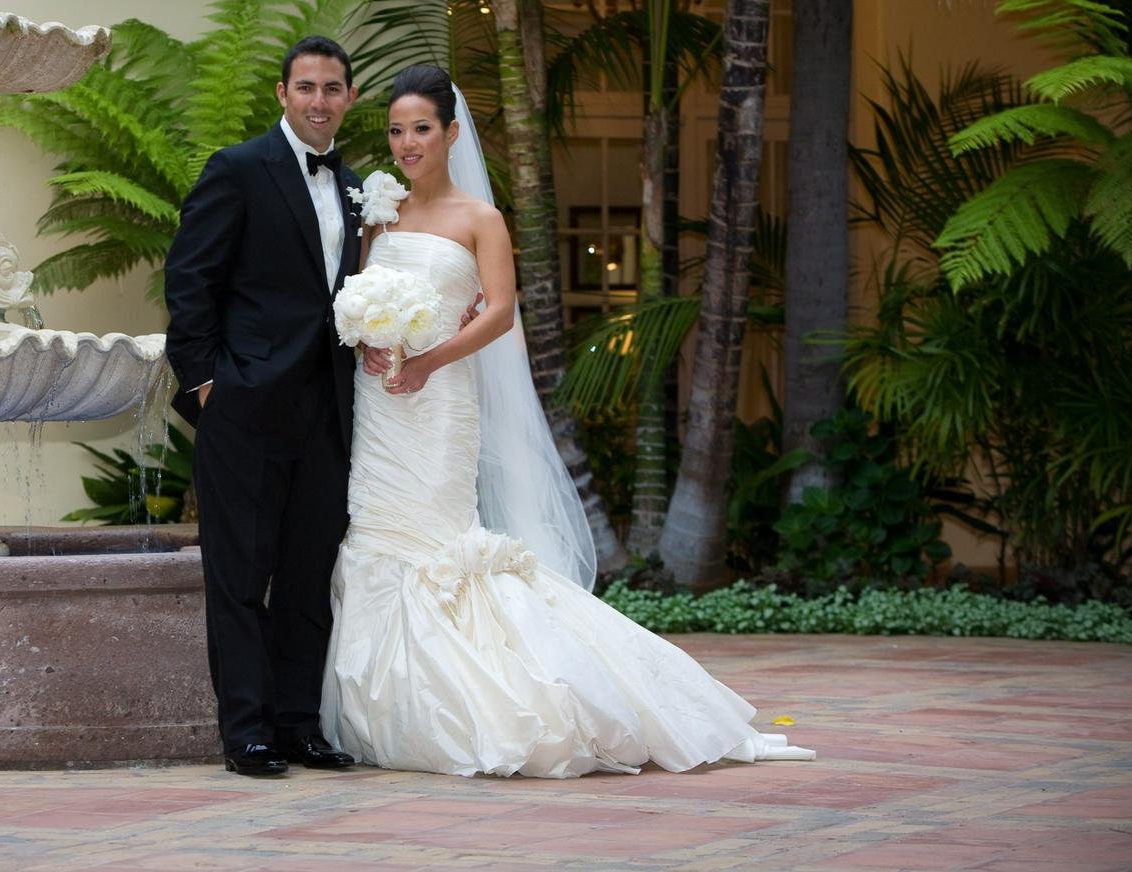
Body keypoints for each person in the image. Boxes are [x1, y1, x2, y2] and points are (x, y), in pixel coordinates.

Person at [322, 64, 815, 777]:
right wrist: (375, 343)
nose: (406, 143)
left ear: (451, 133)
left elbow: (498, 312)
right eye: (397, 130)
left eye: (421, 129)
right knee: (373, 537)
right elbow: (366, 296)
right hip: (383, 410)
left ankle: (538, 699)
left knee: (438, 547)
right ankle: (384, 711)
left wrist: (432, 358)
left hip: (439, 404)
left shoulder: (479, 219)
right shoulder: (382, 210)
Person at [163, 36, 363, 777]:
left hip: (331, 413)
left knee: (309, 578)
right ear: (282, 94)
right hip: (245, 406)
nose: (319, 100)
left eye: (332, 88)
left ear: (349, 98)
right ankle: (246, 731)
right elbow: (190, 282)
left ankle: (298, 725)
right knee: (241, 580)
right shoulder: (238, 169)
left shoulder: (359, 187)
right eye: (306, 87)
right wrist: (207, 385)